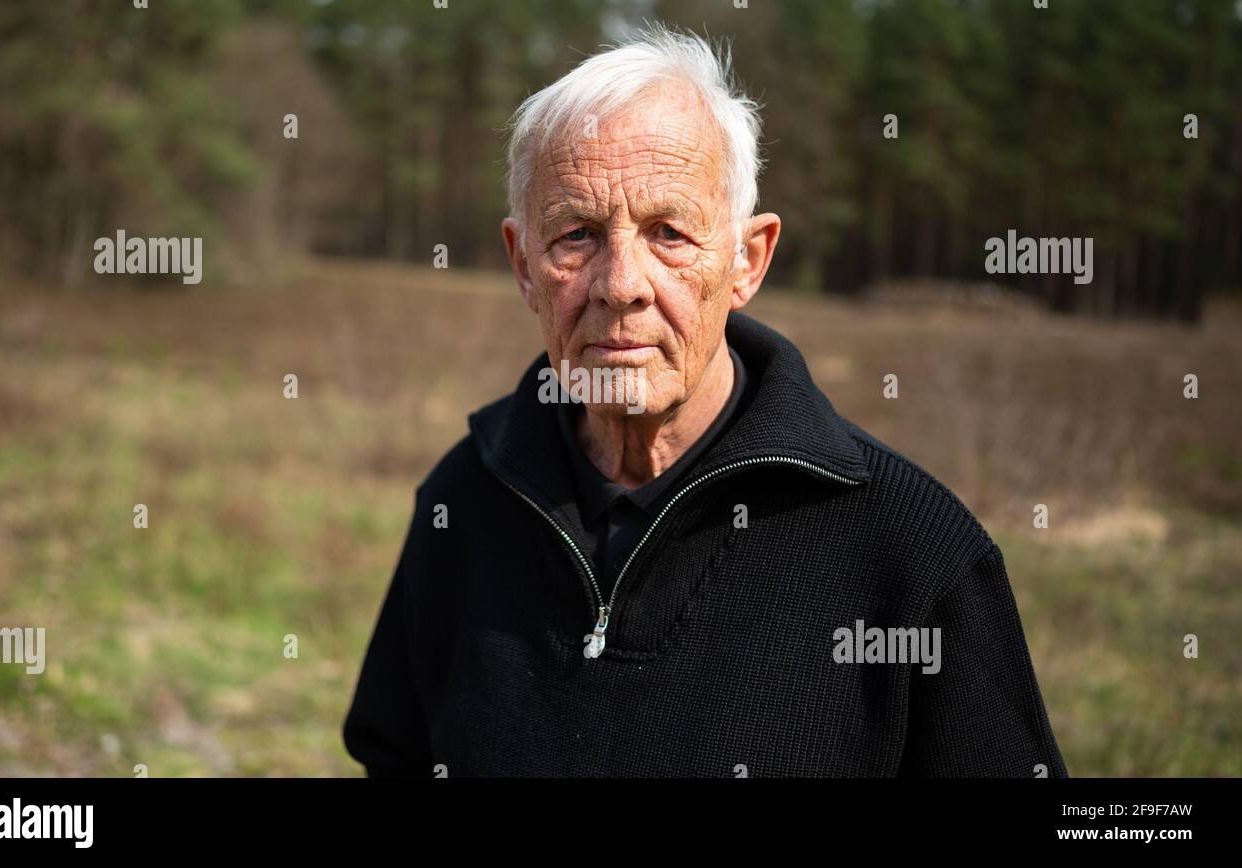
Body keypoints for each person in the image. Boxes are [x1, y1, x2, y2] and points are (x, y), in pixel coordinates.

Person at [343, 25, 1068, 778]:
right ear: (523, 265)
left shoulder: (914, 553)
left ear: (746, 261)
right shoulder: (464, 502)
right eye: (577, 235)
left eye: (669, 233)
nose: (620, 284)